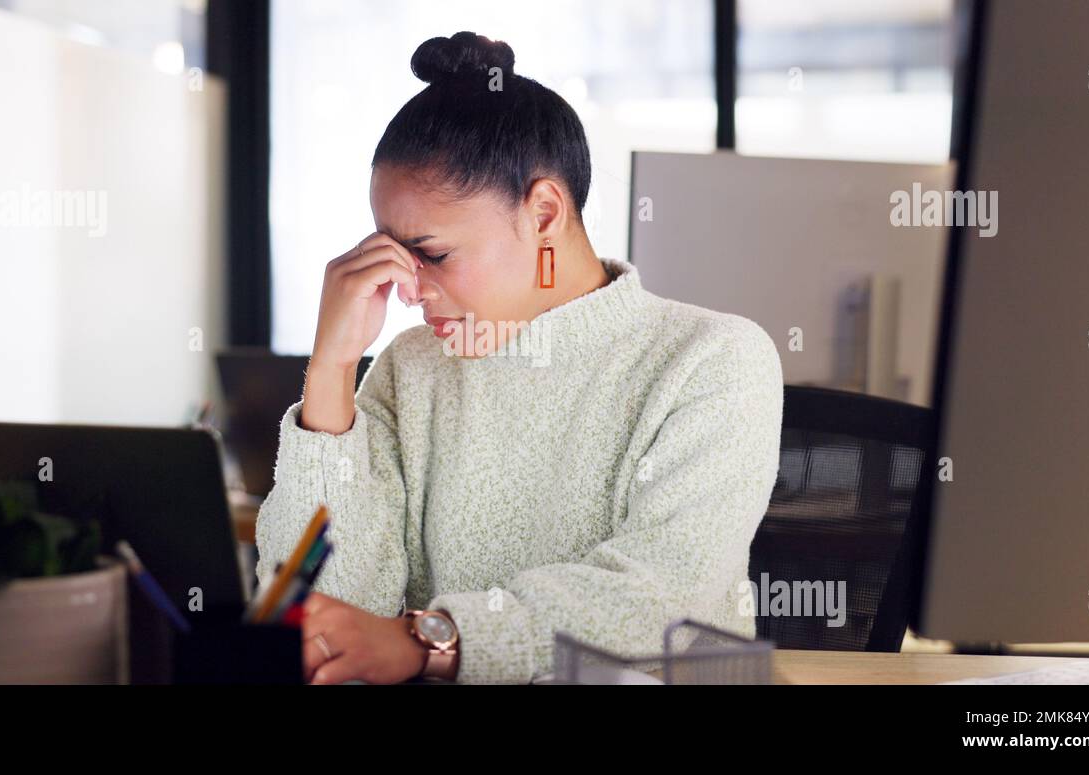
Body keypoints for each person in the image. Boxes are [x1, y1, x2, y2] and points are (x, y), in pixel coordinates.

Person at [255, 31, 783, 684]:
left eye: (433, 253)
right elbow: (326, 615)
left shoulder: (713, 360)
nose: (409, 290)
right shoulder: (409, 366)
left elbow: (658, 600)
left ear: (544, 213)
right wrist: (331, 372)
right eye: (394, 255)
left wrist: (430, 641)